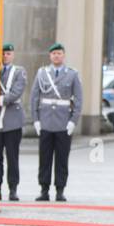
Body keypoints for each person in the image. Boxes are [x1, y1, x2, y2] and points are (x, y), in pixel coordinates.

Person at [31, 42, 82, 202]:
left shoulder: (72, 74)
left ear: (63, 55)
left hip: (63, 122)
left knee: (61, 158)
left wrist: (73, 121)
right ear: (50, 56)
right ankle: (44, 189)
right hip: (45, 121)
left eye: (59, 53)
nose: (56, 56)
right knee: (44, 158)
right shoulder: (42, 73)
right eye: (53, 54)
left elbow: (79, 99)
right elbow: (34, 97)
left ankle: (60, 189)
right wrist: (36, 120)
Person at [0, 43, 26, 201]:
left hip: (12, 120)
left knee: (12, 157)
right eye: (3, 54)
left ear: (13, 55)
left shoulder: (19, 72)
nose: (5, 56)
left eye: (8, 53)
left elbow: (17, 91)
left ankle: (13, 188)